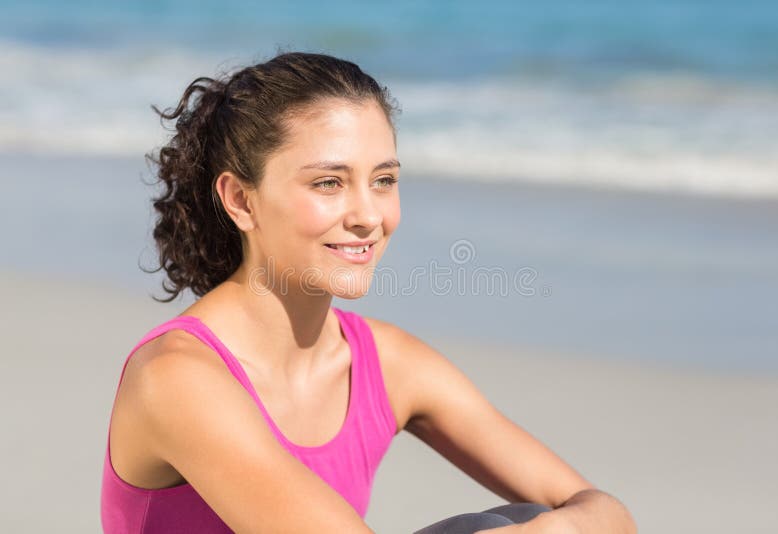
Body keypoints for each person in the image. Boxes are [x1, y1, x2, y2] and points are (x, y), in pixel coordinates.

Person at [100, 50, 636, 533]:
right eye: (328, 183)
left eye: (383, 180)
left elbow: (605, 513)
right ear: (240, 199)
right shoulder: (175, 378)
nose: (367, 216)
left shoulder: (387, 364)